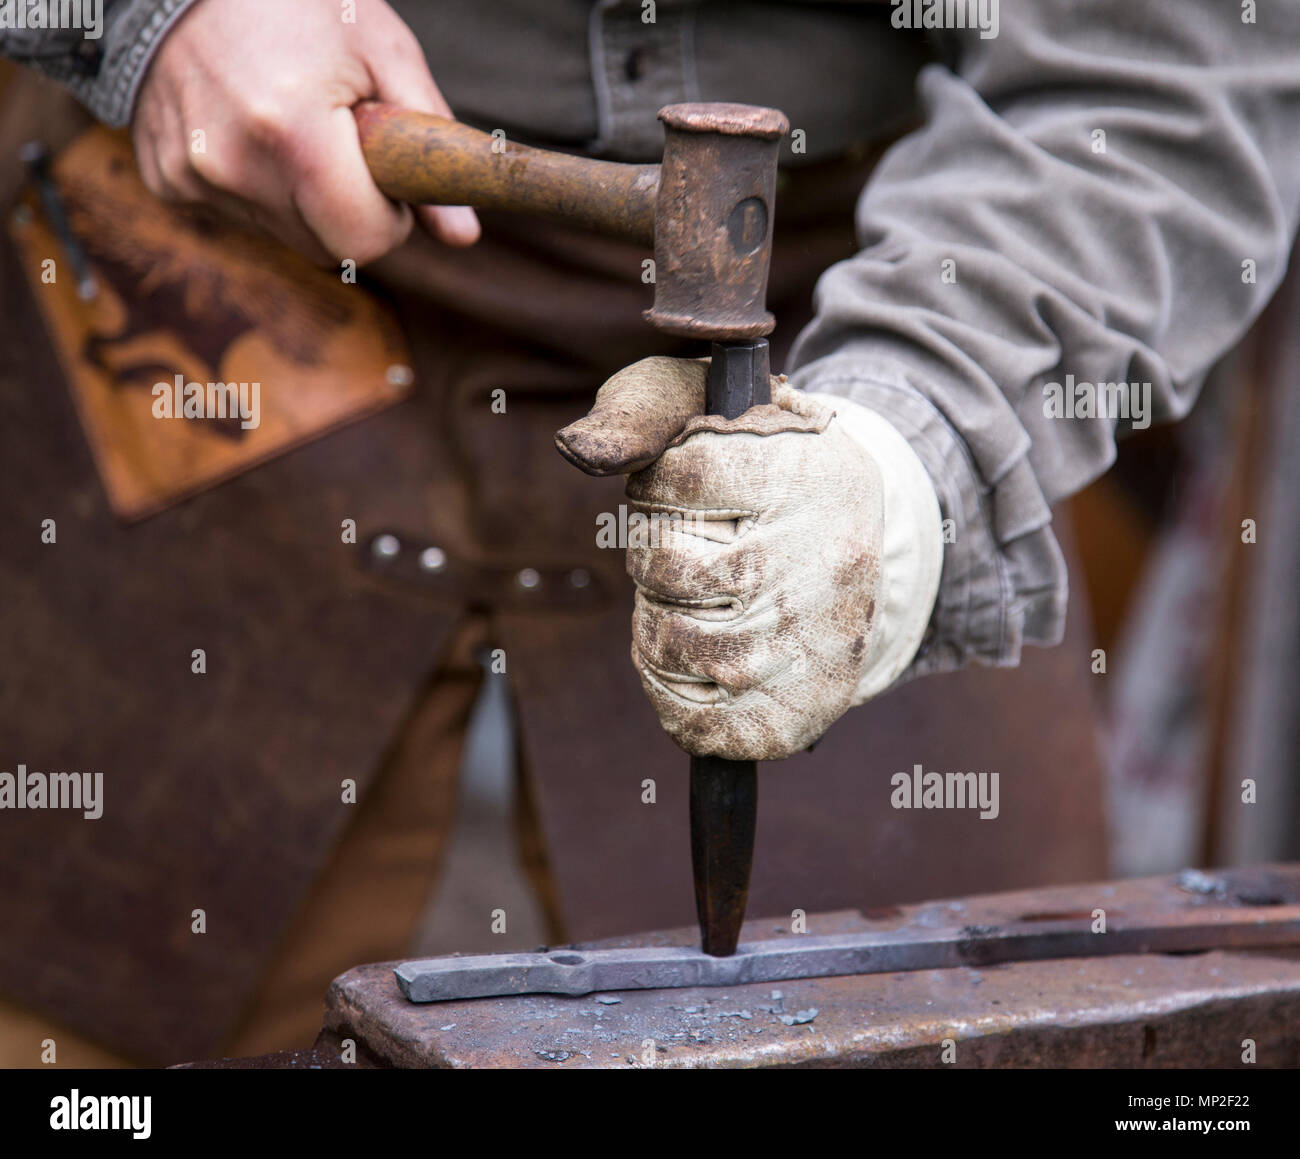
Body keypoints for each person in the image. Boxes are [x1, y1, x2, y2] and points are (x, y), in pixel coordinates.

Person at [1, 0, 1295, 1065]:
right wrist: (150, 22)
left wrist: (908, 453)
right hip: (219, 307)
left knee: (940, 1027)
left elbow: (1165, 71)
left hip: (876, 327)